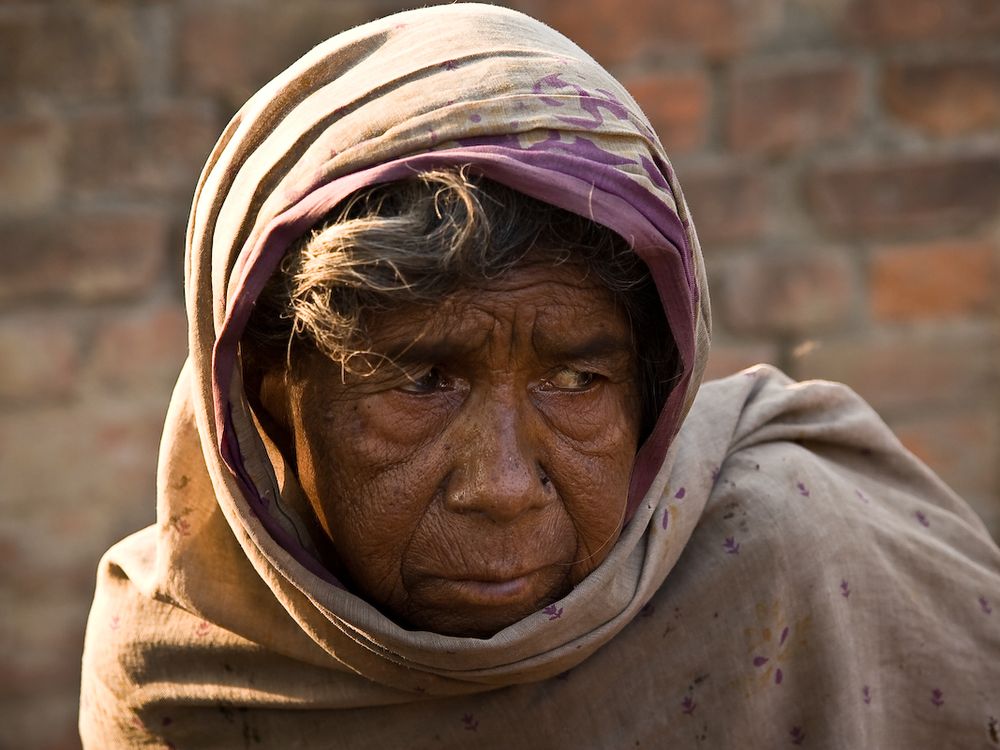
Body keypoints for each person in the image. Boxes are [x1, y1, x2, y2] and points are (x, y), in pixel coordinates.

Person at [80, 4, 1000, 747]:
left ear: (656, 383)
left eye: (576, 383)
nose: (504, 489)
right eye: (423, 381)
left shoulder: (788, 564)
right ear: (269, 398)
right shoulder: (179, 664)